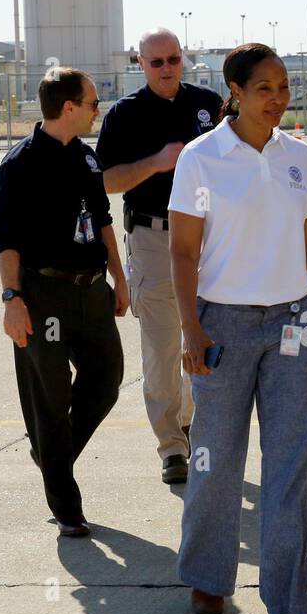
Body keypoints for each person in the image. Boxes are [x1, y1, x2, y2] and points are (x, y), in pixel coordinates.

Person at [169, 44, 307, 614]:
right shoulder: (200, 158)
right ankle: (210, 578)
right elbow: (183, 252)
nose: (278, 97)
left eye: (283, 85)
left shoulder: (298, 158)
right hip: (224, 325)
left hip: (295, 320)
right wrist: (192, 328)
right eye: (264, 87)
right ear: (235, 92)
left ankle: (291, 597)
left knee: (291, 464)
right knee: (216, 458)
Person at [0, 67, 128, 538]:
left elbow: (104, 219)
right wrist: (12, 299)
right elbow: (5, 240)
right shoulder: (19, 165)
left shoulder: (86, 160)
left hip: (91, 290)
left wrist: (120, 277)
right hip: (42, 294)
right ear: (69, 107)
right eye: (92, 103)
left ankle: (52, 456)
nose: (97, 109)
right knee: (49, 400)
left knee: (107, 380)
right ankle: (67, 506)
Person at [96, 29, 221, 486]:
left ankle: (191, 424)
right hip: (153, 238)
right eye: (156, 62)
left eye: (173, 59)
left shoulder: (208, 103)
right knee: (163, 344)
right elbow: (106, 180)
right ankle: (171, 445)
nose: (166, 68)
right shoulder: (125, 115)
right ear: (140, 63)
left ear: (183, 59)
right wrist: (156, 161)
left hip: (210, 238)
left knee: (205, 333)